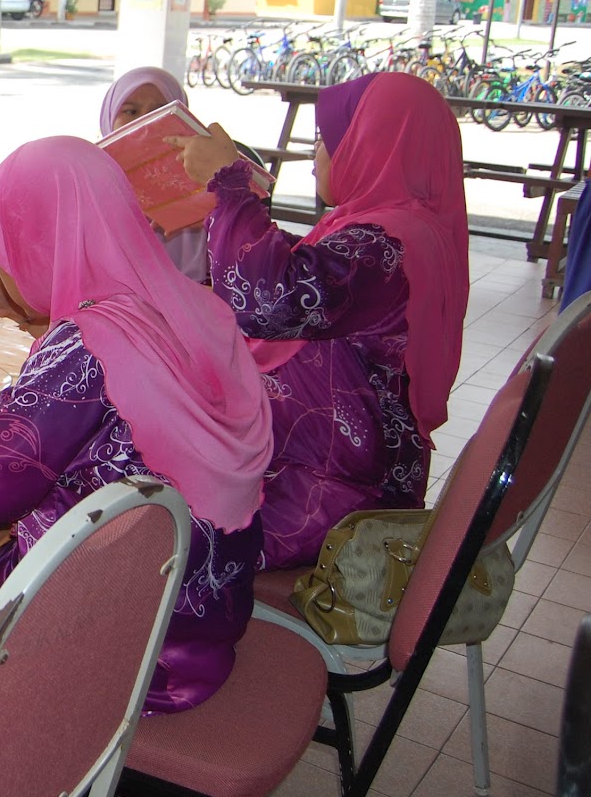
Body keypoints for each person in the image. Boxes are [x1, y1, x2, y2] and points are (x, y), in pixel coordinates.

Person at [0, 137, 273, 713]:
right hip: (197, 611)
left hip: (109, 641)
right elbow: (110, 404)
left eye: (12, 245)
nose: (5, 259)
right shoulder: (189, 305)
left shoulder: (89, 346)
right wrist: (32, 310)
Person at [171, 72, 468, 569]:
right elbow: (316, 270)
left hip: (329, 497)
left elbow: (265, 303)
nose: (315, 156)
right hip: (350, 470)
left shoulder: (384, 245)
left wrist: (231, 185)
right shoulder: (402, 228)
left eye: (325, 141)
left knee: (150, 521)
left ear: (371, 144)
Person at [100, 65, 269, 284]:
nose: (144, 122)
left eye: (159, 111)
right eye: (131, 111)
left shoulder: (209, 178)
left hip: (196, 300)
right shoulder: (90, 179)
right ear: (109, 117)